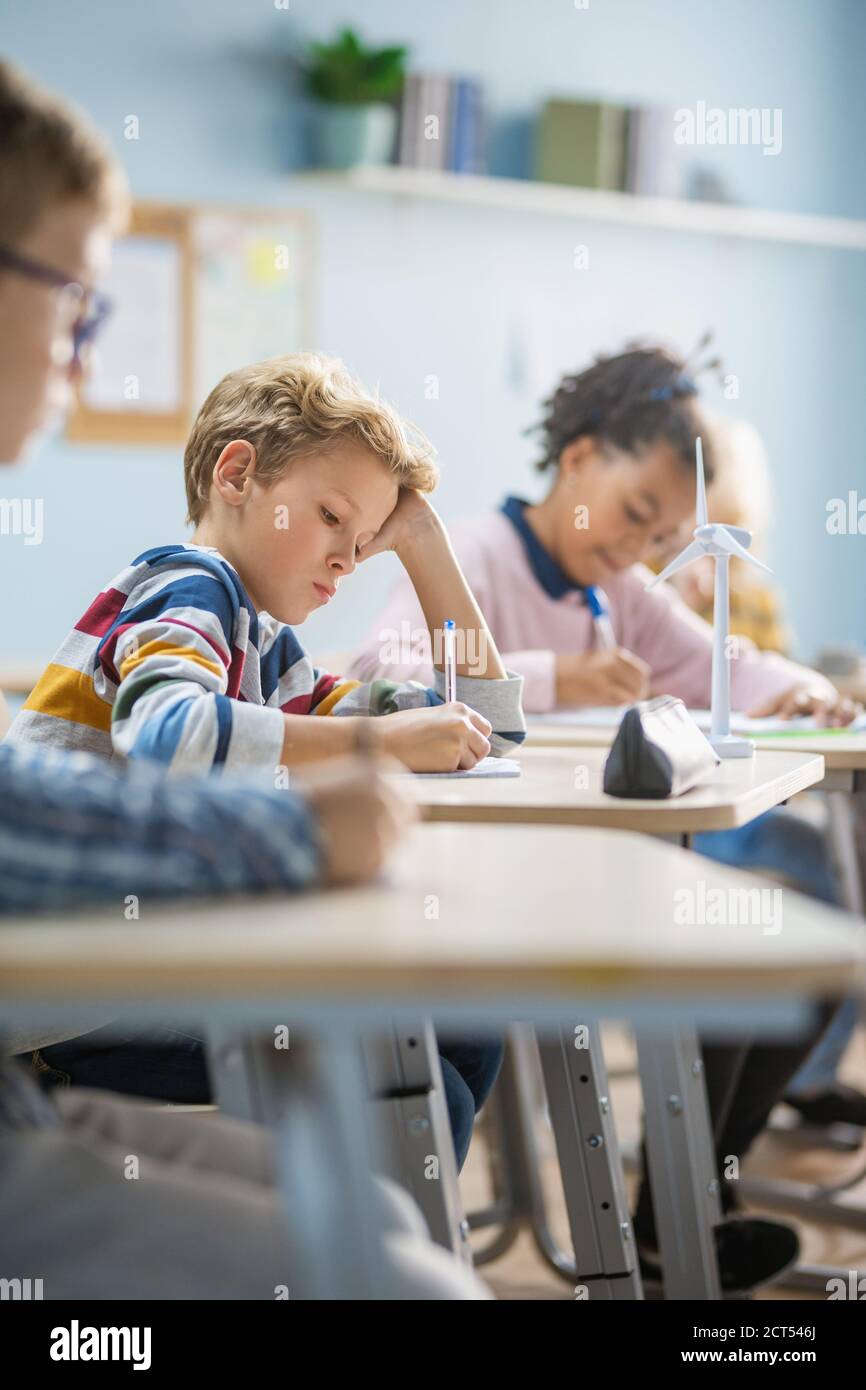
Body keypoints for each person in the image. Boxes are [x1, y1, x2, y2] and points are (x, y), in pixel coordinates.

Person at [0, 56, 488, 1300]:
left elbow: (468, 714)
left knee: (446, 1059)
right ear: (235, 477)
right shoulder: (185, 584)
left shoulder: (264, 638)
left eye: (363, 535)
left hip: (95, 971)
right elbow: (174, 738)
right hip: (69, 996)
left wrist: (422, 549)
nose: (345, 554)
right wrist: (371, 761)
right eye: (331, 517)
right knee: (403, 1090)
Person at [349, 344, 857, 1292]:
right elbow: (384, 672)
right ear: (577, 461)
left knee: (795, 934)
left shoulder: (623, 591)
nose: (639, 549)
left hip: (597, 870)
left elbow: (729, 661)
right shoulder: (483, 555)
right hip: (486, 878)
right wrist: (553, 677)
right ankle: (675, 1222)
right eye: (633, 516)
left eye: (663, 535)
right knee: (731, 950)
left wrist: (805, 689)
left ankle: (680, 1212)